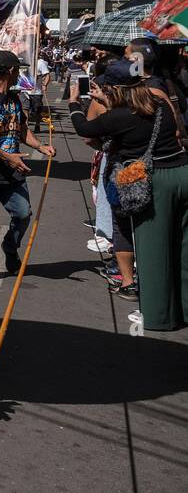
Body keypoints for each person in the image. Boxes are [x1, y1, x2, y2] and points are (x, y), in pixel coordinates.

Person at [69, 59, 188, 329]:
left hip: (155, 179)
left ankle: (157, 315)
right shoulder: (158, 101)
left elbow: (85, 129)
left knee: (152, 249)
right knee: (181, 246)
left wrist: (75, 103)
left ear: (113, 89)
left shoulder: (120, 117)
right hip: (181, 170)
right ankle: (184, 307)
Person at [0, 50, 56, 284]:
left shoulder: (14, 98)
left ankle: (9, 246)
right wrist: (7, 156)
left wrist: (40, 146)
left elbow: (21, 129)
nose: (20, 74)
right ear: (10, 71)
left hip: (12, 172)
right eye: (18, 70)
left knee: (23, 213)